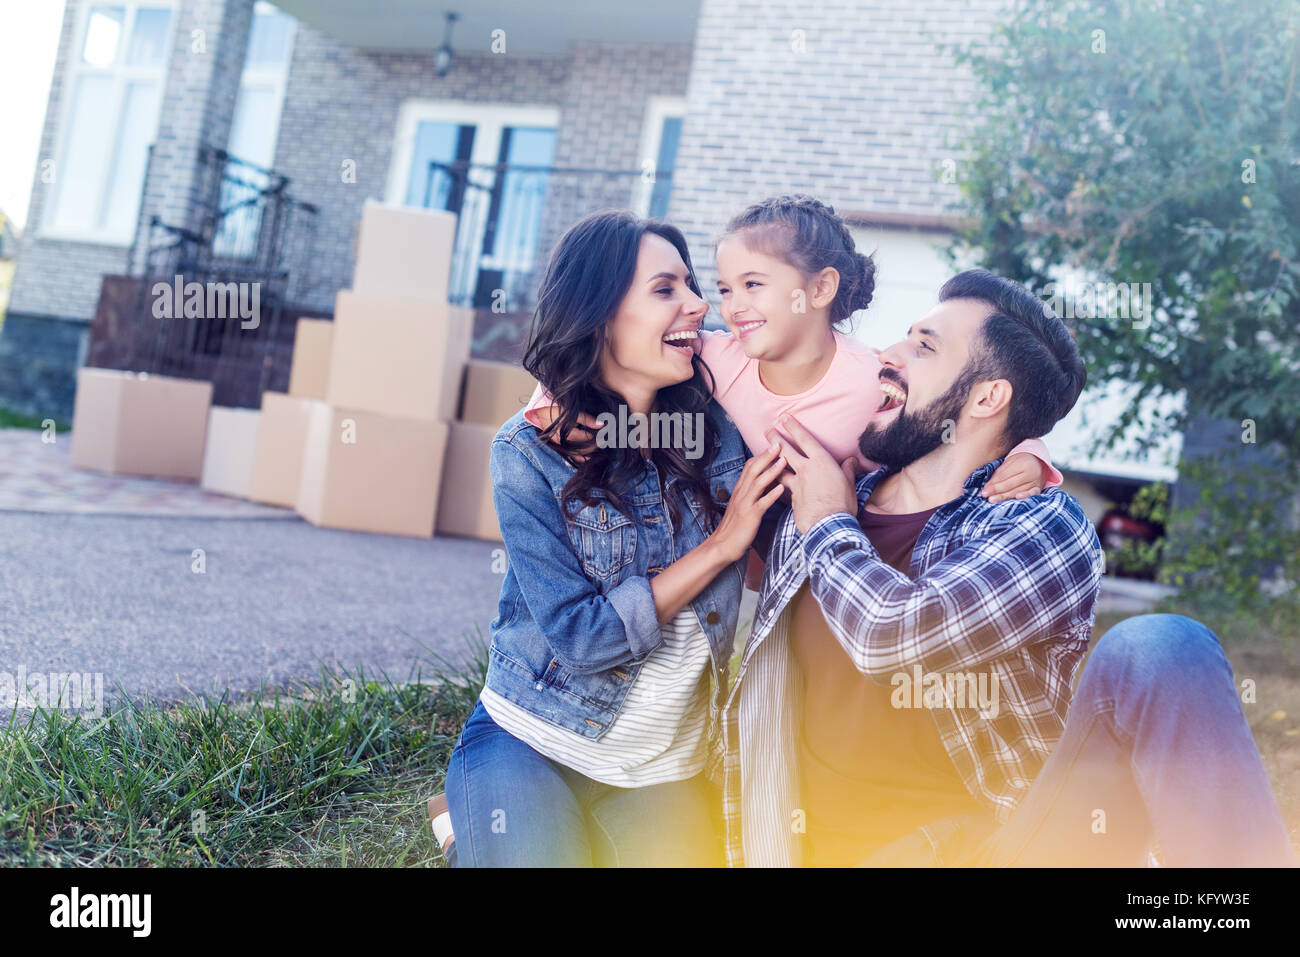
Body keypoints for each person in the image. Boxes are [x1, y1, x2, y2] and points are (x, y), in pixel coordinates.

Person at [727, 268, 1296, 867]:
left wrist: (825, 524)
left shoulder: (1037, 522)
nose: (886, 356)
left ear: (987, 397)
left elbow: (891, 638)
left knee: (1162, 646)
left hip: (1009, 850)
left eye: (924, 346)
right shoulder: (829, 490)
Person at [437, 210, 786, 866]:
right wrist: (720, 545)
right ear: (601, 316)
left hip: (661, 767)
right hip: (532, 738)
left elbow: (843, 403)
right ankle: (474, 829)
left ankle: (472, 836)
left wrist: (1018, 445)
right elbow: (583, 637)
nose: (697, 303)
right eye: (665, 290)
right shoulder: (527, 450)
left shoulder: (721, 427)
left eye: (691, 285)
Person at [523, 196, 1062, 593]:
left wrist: (1029, 455)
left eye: (753, 285)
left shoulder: (869, 380)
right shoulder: (714, 356)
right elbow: (617, 353)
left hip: (806, 570)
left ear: (820, 290)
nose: (731, 307)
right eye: (727, 289)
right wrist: (551, 401)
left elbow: (947, 424)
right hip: (716, 569)